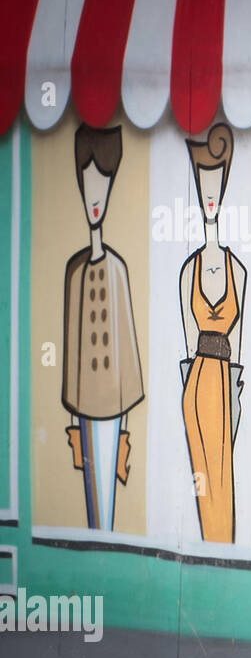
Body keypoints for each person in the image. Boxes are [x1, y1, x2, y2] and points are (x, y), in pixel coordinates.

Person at [62, 123, 145, 531]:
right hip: (84, 400)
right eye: (88, 187)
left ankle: (106, 535)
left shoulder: (117, 269)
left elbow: (127, 342)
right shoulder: (75, 270)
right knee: (90, 478)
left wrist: (127, 410)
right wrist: (72, 400)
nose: (96, 199)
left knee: (109, 477)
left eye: (103, 187)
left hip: (113, 398)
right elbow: (72, 342)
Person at [178, 124, 246, 544]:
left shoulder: (237, 268)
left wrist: (236, 391)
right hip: (198, 378)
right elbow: (188, 339)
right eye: (201, 182)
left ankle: (220, 542)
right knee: (202, 468)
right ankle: (207, 541)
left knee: (225, 471)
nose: (208, 194)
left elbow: (237, 340)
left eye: (214, 182)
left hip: (224, 377)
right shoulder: (189, 270)